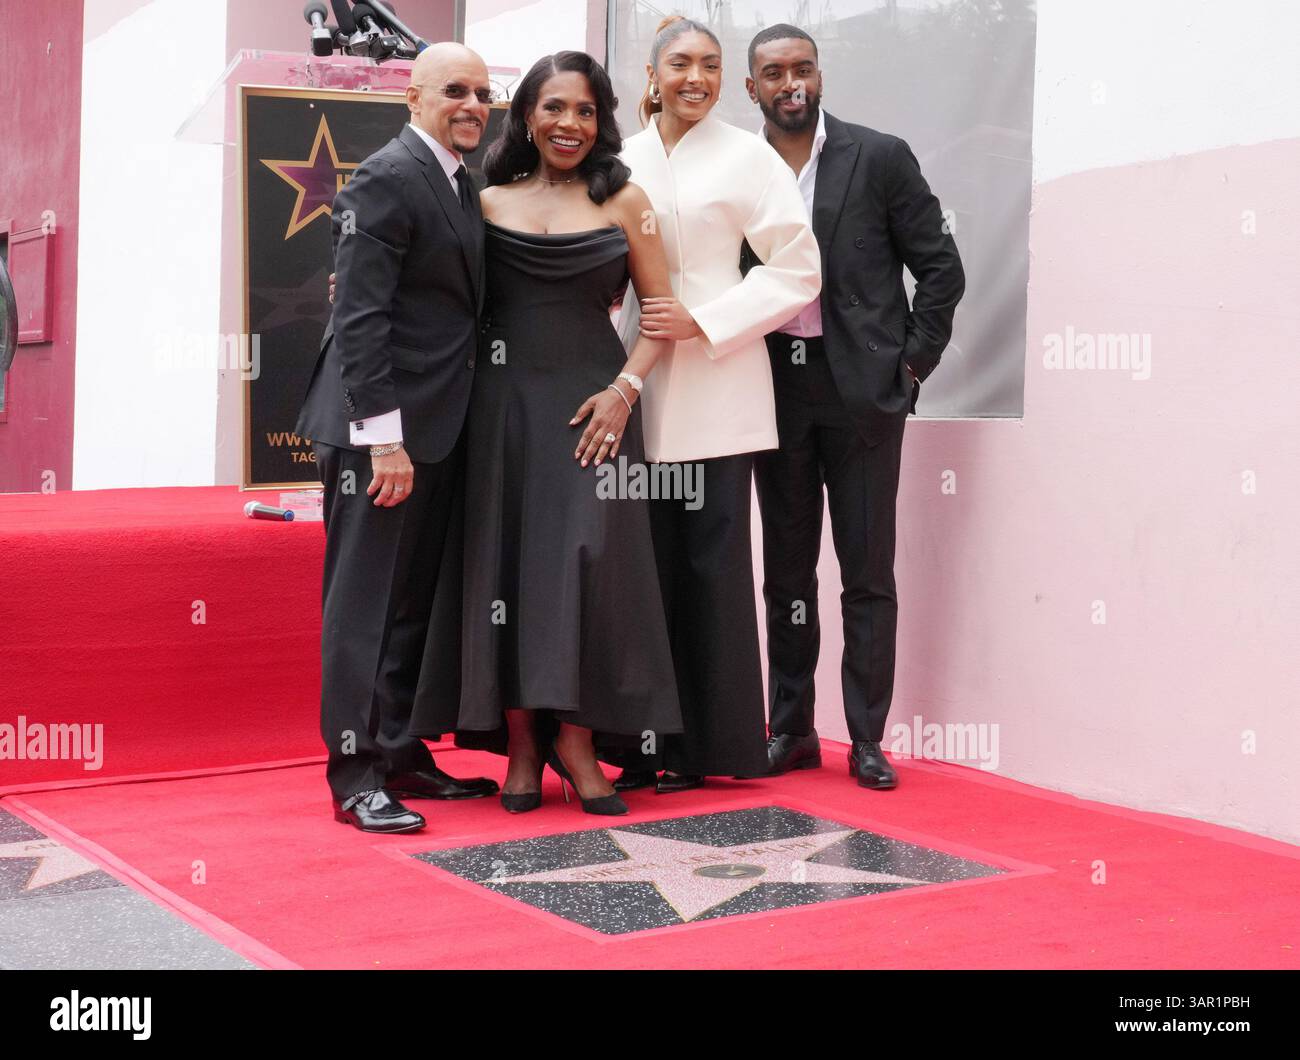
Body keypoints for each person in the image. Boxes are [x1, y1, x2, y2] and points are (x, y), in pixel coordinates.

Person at [407, 52, 683, 816]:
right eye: (555, 107)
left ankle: (579, 741)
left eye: (587, 111)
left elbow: (660, 316)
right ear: (526, 114)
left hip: (597, 410)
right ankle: (524, 745)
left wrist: (624, 392)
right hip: (500, 409)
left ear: (602, 122)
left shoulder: (628, 200)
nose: (571, 124)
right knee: (509, 571)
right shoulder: (483, 200)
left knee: (590, 568)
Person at [742, 25, 966, 789]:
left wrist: (908, 365)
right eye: (774, 73)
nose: (791, 83)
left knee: (867, 572)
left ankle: (867, 738)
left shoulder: (879, 156)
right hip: (775, 391)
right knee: (786, 573)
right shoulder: (741, 169)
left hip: (863, 395)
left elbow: (941, 268)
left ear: (821, 76)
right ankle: (792, 729)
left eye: (803, 68)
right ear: (753, 90)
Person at [610, 16, 823, 793]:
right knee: (643, 572)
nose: (693, 77)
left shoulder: (748, 155)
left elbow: (799, 270)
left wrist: (707, 318)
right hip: (632, 387)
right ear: (653, 72)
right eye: (680, 64)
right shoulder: (618, 158)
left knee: (713, 569)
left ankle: (709, 748)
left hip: (723, 386)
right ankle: (641, 747)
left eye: (708, 64)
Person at [295, 43, 500, 833]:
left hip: (435, 432)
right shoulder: (387, 176)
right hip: (376, 438)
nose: (473, 104)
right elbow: (360, 318)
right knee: (362, 608)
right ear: (412, 97)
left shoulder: (456, 180)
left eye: (483, 92)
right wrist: (382, 439)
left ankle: (400, 746)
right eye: (455, 90)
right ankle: (354, 776)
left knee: (410, 604)